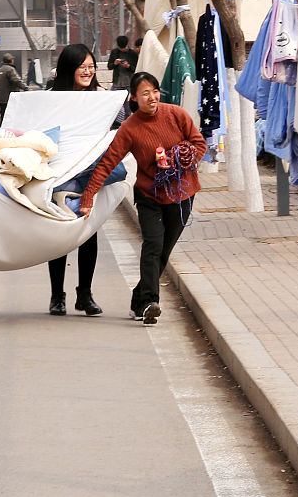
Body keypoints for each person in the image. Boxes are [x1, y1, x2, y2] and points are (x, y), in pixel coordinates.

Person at [80, 71, 206, 325]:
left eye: (155, 91)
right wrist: (88, 196)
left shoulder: (176, 114)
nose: (152, 97)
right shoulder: (129, 128)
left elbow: (199, 144)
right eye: (145, 93)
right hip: (150, 195)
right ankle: (150, 301)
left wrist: (183, 158)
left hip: (182, 195)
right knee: (153, 246)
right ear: (134, 99)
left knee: (163, 251)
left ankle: (139, 300)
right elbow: (107, 163)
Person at [45, 44, 109, 317]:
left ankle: (85, 293)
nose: (87, 72)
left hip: (89, 176)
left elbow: (121, 125)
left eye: (91, 67)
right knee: (59, 235)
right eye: (82, 67)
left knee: (87, 233)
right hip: (58, 175)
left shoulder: (101, 98)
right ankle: (56, 296)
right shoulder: (50, 98)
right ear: (69, 69)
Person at [0, 53, 27, 125]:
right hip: (9, 96)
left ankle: (2, 129)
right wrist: (26, 88)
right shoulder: (10, 69)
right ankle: (10, 129)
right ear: (10, 60)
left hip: (1, 97)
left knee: (3, 114)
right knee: (11, 115)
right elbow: (16, 80)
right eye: (12, 59)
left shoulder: (0, 69)